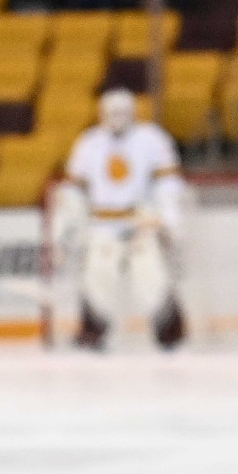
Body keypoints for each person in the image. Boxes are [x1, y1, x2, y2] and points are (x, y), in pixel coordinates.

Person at [54, 87, 186, 349]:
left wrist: (168, 218)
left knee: (152, 280)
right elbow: (74, 190)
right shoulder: (89, 142)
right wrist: (67, 225)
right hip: (102, 222)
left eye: (122, 112)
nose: (117, 118)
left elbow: (167, 183)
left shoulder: (152, 139)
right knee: (97, 279)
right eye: (112, 112)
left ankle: (170, 333)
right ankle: (92, 332)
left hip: (141, 222)